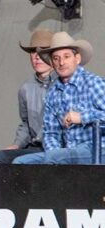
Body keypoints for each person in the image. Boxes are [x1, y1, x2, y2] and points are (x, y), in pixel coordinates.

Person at [14, 32, 105, 165]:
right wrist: (54, 152)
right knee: (20, 163)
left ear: (77, 58)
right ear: (52, 62)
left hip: (98, 149)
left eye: (66, 57)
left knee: (55, 158)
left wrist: (82, 117)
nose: (61, 62)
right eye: (56, 58)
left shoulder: (93, 83)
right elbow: (51, 133)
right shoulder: (53, 93)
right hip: (68, 152)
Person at [0, 30, 54, 164]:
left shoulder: (62, 85)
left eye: (42, 51)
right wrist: (17, 144)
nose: (37, 57)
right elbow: (26, 123)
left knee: (0, 158)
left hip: (53, 148)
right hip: (34, 147)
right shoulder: (26, 88)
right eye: (33, 52)